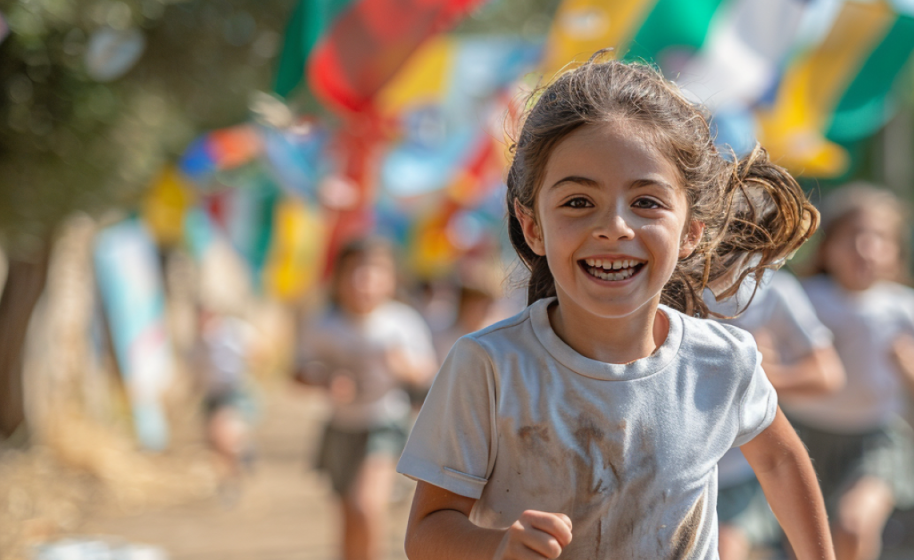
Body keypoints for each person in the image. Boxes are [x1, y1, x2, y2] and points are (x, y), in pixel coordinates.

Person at [398, 57, 835, 560]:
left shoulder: (724, 362)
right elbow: (428, 531)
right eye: (579, 202)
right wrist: (500, 549)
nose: (615, 228)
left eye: (647, 202)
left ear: (691, 229)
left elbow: (780, 461)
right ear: (533, 224)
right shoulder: (490, 368)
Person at [793, 184, 914, 560]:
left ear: (896, 252)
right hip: (802, 436)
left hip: (876, 437)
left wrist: (911, 364)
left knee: (854, 524)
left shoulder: (903, 306)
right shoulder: (804, 298)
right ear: (827, 248)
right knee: (807, 543)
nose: (866, 249)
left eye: (879, 238)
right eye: (853, 237)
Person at [295, 238, 439, 560]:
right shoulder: (324, 323)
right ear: (338, 278)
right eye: (355, 273)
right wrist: (324, 379)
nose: (364, 282)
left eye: (375, 273)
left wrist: (406, 367)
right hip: (341, 427)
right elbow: (299, 371)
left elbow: (429, 371)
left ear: (390, 279)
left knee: (366, 505)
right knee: (348, 512)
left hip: (385, 423)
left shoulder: (401, 322)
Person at [706, 269, 845, 560]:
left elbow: (828, 374)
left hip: (740, 472)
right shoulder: (656, 279)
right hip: (671, 472)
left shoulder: (769, 289)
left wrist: (757, 376)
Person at [191, 305, 259, 498]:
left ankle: (238, 461)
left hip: (233, 390)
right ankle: (232, 474)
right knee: (215, 444)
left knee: (224, 432)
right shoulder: (199, 342)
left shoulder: (236, 332)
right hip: (213, 394)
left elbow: (259, 350)